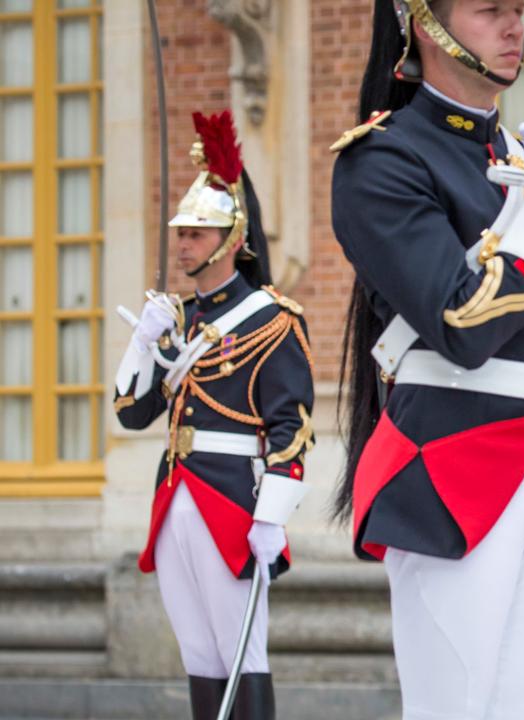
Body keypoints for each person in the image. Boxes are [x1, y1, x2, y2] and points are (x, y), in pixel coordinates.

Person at [329, 1, 524, 717]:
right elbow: (463, 323)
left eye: (519, 10)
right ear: (427, 24)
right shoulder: (382, 159)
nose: (516, 28)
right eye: (491, 10)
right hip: (451, 469)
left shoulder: (517, 161)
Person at [114, 109, 314, 720]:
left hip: (233, 502)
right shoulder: (177, 319)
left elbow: (292, 428)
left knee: (240, 653)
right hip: (176, 493)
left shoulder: (271, 318)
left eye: (196, 233)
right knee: (199, 654)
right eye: (181, 232)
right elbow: (131, 412)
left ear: (231, 240)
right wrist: (142, 343)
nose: (182, 243)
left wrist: (271, 516)